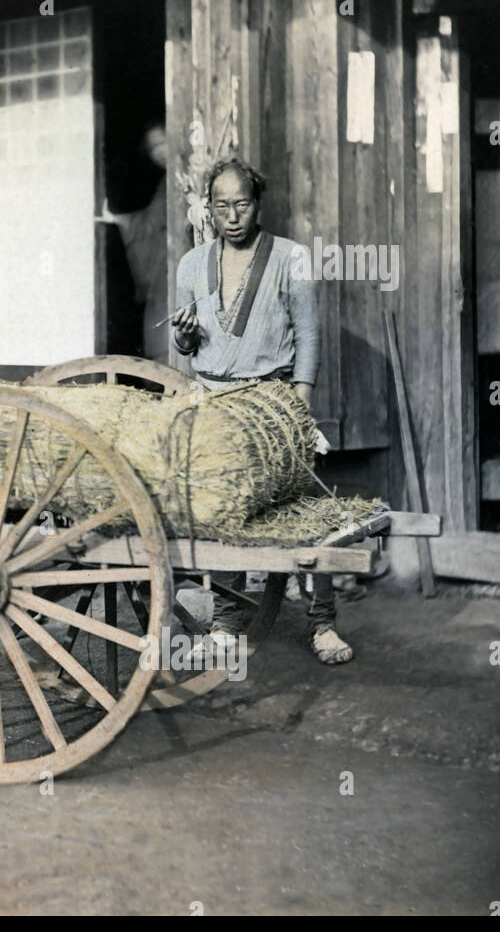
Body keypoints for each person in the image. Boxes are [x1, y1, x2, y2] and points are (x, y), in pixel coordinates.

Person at [170, 158, 354, 665]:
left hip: (274, 403)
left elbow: (309, 334)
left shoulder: (291, 259)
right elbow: (183, 348)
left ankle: (322, 624)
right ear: (208, 209)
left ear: (259, 204)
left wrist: (301, 399)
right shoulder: (191, 266)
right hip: (216, 403)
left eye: (242, 204)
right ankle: (227, 623)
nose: (233, 216)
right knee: (224, 510)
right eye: (222, 206)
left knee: (301, 507)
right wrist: (183, 334)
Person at [99, 122, 171, 365]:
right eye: (153, 148)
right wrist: (118, 219)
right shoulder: (165, 184)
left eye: (163, 141)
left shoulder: (180, 178)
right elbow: (150, 226)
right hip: (164, 268)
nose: (159, 151)